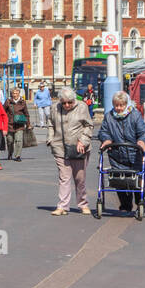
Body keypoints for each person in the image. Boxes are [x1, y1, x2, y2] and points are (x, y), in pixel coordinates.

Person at [98, 91, 145, 212]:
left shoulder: (135, 115)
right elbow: (103, 131)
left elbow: (144, 132)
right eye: (116, 105)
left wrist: (142, 141)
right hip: (118, 155)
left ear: (126, 104)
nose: (118, 108)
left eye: (121, 105)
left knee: (138, 180)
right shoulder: (109, 117)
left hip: (137, 155)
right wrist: (106, 140)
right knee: (120, 180)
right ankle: (125, 206)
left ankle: (140, 203)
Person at [48, 86, 94, 215]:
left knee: (80, 178)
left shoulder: (82, 107)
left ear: (74, 100)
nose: (67, 105)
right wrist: (50, 138)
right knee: (64, 177)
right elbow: (50, 122)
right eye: (63, 103)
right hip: (60, 147)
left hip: (79, 148)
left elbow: (89, 126)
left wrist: (83, 141)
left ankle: (83, 203)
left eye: (70, 102)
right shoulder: (54, 107)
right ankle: (62, 206)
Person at [4, 86, 30, 162]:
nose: (15, 95)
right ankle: (10, 153)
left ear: (19, 93)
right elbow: (3, 112)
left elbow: (26, 113)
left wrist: (28, 124)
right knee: (10, 140)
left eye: (16, 93)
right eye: (13, 93)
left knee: (19, 140)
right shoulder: (8, 101)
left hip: (19, 125)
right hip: (10, 124)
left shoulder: (22, 102)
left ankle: (18, 155)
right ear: (11, 94)